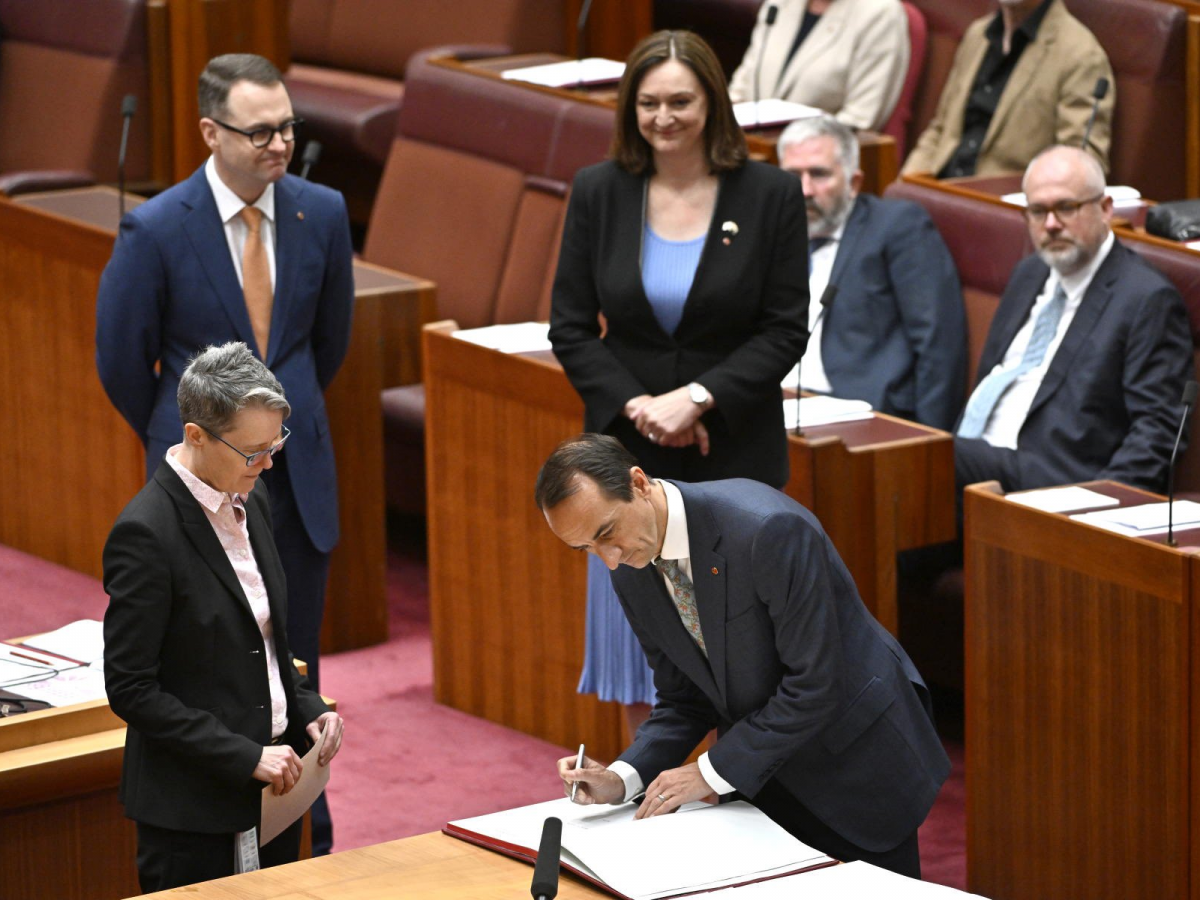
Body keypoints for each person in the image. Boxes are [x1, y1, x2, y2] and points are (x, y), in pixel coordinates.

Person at [95, 53, 353, 852]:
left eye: (287, 126)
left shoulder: (323, 211)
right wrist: (198, 444)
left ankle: (298, 817)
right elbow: (120, 357)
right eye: (260, 130)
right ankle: (224, 814)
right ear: (212, 131)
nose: (280, 144)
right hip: (201, 479)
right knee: (210, 667)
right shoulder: (158, 226)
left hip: (293, 472)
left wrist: (276, 436)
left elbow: (328, 346)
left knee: (291, 653)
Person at [536, 434, 949, 878]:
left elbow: (815, 685)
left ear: (638, 482)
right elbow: (684, 696)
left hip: (855, 766)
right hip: (763, 777)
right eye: (587, 550)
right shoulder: (631, 569)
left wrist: (708, 771)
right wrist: (622, 777)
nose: (610, 559)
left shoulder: (766, 529)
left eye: (606, 533)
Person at [549, 30, 809, 712]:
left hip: (734, 455)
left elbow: (786, 328)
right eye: (648, 103)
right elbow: (570, 327)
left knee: (748, 660)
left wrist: (696, 398)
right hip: (626, 461)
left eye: (681, 101)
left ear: (713, 103)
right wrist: (641, 406)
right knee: (647, 660)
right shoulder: (599, 191)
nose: (664, 118)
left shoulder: (770, 194)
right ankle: (636, 794)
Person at [102, 342, 345, 893]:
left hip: (275, 791)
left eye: (275, 443)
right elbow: (132, 688)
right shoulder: (146, 534)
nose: (268, 463)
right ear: (196, 436)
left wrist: (305, 706)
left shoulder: (251, 497)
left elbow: (267, 639)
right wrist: (245, 755)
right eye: (252, 450)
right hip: (193, 812)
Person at [955, 145, 1193, 495]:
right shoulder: (1029, 274)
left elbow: (1157, 430)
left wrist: (1100, 507)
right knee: (915, 455)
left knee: (933, 459)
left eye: (1066, 208)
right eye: (1037, 211)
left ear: (1105, 208)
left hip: (1062, 478)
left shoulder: (1146, 299)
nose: (1051, 224)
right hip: (981, 457)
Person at [778, 115, 965, 429]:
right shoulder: (771, 231)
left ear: (854, 183)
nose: (805, 189)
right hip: (778, 402)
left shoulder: (896, 226)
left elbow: (938, 342)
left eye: (819, 174)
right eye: (793, 175)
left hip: (858, 411)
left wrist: (930, 441)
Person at [902, 0, 1114, 179]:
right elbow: (940, 130)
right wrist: (903, 186)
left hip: (1001, 207)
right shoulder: (977, 35)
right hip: (939, 190)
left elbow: (1080, 168)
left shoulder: (1081, 56)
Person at [728, 0, 910, 132]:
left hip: (813, 162)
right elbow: (741, 87)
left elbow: (860, 119)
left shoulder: (881, 13)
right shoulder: (779, 3)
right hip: (747, 144)